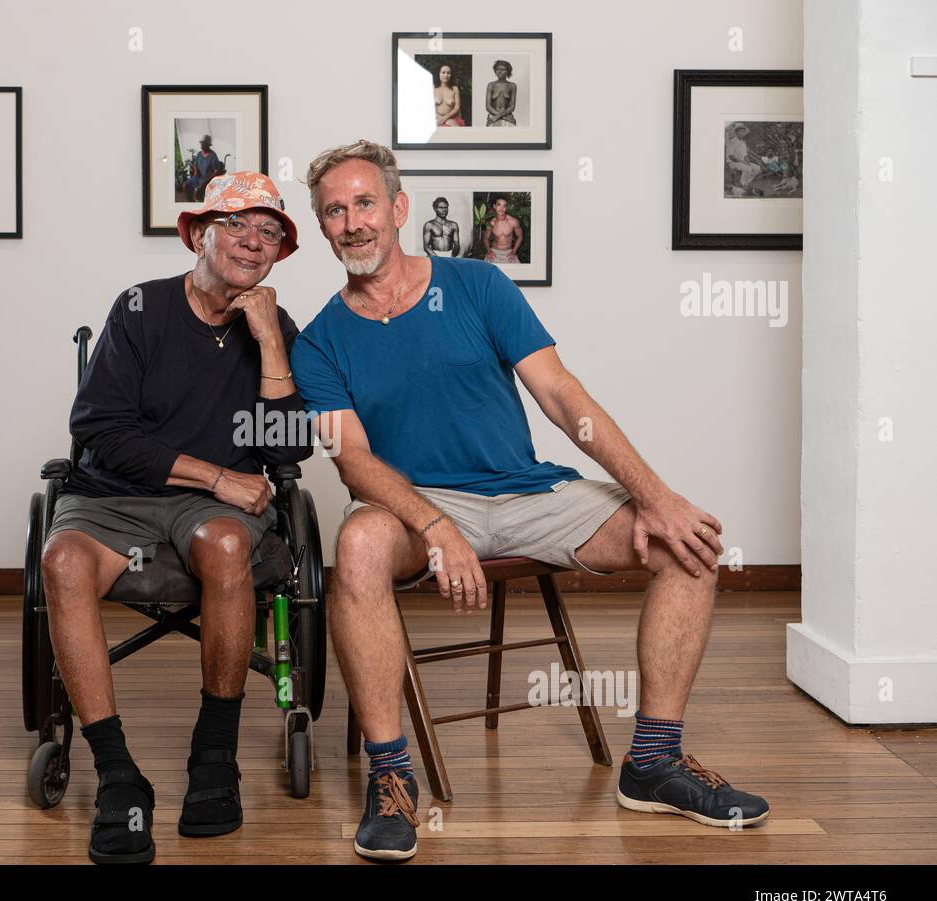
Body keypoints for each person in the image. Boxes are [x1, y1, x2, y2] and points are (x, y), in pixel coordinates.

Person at [292, 140, 770, 863]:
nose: (352, 221)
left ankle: (654, 763)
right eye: (335, 209)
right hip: (412, 507)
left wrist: (657, 496)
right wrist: (433, 524)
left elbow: (560, 395)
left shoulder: (479, 285)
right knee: (355, 543)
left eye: (364, 203)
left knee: (687, 539)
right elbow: (354, 461)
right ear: (323, 227)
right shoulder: (319, 343)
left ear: (397, 208)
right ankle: (392, 778)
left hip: (525, 492)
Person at [41, 172, 310, 864]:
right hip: (115, 495)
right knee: (62, 561)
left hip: (212, 514)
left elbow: (287, 451)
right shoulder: (140, 310)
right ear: (198, 234)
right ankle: (117, 774)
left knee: (225, 546)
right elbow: (101, 429)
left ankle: (214, 754)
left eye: (270, 232)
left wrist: (272, 345)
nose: (254, 242)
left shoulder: (273, 325)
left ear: (278, 254)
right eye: (237, 226)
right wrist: (217, 474)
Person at [185, 134, 225, 201]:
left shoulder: (213, 156)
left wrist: (206, 181)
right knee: (186, 185)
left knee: (198, 191)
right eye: (202, 143)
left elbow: (216, 171)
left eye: (204, 144)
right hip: (199, 177)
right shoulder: (199, 154)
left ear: (208, 145)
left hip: (207, 179)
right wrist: (195, 173)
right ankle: (190, 202)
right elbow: (195, 164)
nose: (202, 145)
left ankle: (200, 202)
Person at [484, 195, 522, 265]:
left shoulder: (513, 221)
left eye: (504, 206)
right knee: (485, 271)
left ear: (506, 208)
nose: (501, 208)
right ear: (494, 206)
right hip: (494, 252)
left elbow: (520, 236)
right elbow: (485, 238)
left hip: (509, 253)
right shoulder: (491, 223)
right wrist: (489, 251)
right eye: (499, 205)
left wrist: (514, 251)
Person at [484, 60, 517, 126]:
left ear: (508, 71)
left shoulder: (512, 86)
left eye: (503, 69)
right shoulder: (491, 85)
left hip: (507, 116)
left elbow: (512, 107)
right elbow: (488, 107)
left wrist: (499, 116)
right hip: (493, 116)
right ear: (495, 71)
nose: (500, 72)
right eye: (498, 69)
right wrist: (501, 117)